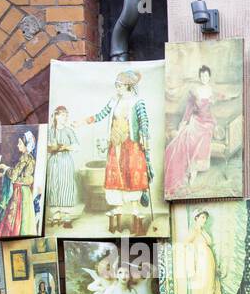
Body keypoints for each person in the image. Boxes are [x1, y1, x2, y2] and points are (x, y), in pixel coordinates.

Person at [78, 69, 152, 235]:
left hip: (131, 145)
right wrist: (84, 121)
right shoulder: (114, 101)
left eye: (119, 85)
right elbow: (101, 114)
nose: (117, 88)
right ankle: (118, 207)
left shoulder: (137, 102)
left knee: (131, 175)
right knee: (116, 175)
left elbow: (144, 121)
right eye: (116, 85)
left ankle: (134, 209)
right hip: (116, 143)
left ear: (127, 86)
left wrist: (144, 135)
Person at [164, 64, 227, 196]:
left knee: (204, 135)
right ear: (200, 77)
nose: (204, 77)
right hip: (196, 119)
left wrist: (227, 96)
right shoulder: (195, 91)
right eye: (202, 75)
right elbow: (189, 108)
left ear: (209, 77)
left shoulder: (211, 91)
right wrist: (183, 122)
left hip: (208, 121)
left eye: (206, 75)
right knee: (187, 135)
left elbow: (221, 98)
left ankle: (195, 168)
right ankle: (189, 169)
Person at [0, 128, 38, 237]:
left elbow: (13, 174)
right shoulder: (31, 158)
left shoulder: (24, 157)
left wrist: (4, 167)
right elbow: (23, 176)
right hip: (26, 192)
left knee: (15, 216)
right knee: (25, 218)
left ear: (27, 145)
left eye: (20, 143)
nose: (17, 145)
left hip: (19, 191)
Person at [176, 209, 221, 294]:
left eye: (205, 218)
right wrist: (193, 260)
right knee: (204, 288)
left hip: (209, 261)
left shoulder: (203, 231)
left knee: (210, 287)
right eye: (202, 217)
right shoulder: (194, 231)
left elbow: (209, 244)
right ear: (196, 218)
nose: (204, 220)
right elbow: (185, 245)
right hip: (202, 263)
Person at [45, 106, 79, 229]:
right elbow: (46, 147)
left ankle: (66, 217)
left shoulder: (68, 131)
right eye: (63, 115)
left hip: (65, 162)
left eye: (66, 115)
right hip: (53, 161)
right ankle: (56, 215)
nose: (65, 118)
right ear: (56, 116)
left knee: (66, 186)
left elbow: (76, 146)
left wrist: (66, 147)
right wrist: (51, 148)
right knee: (53, 186)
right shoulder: (50, 131)